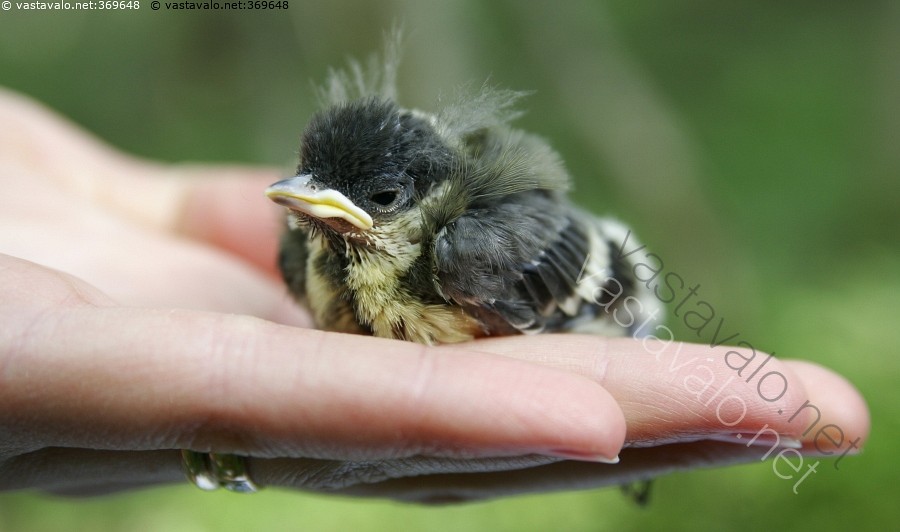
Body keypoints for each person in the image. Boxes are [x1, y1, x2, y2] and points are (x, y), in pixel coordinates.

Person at [0, 87, 869, 502]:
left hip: (601, 297)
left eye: (375, 200)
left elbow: (617, 279)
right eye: (314, 185)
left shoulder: (477, 250)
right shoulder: (309, 251)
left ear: (418, 199)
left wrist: (638, 341)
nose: (312, 206)